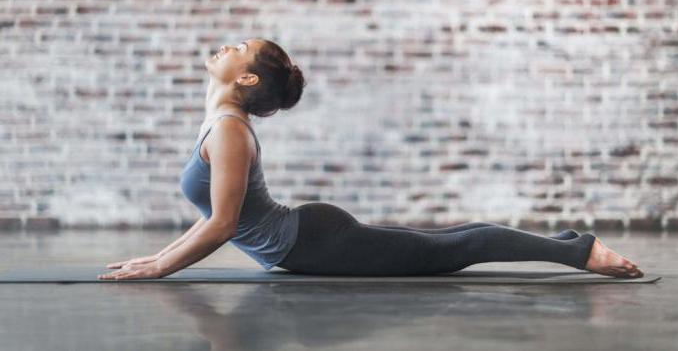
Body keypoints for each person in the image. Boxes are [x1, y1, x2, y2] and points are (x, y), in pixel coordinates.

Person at [99, 38, 643, 280]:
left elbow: (221, 225)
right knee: (446, 242)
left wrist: (162, 267)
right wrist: (154, 258)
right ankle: (573, 244)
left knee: (452, 250)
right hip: (309, 237)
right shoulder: (221, 127)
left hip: (313, 241)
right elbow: (215, 217)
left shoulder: (230, 133)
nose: (225, 46)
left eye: (237, 47)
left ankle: (582, 253)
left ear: (245, 78)